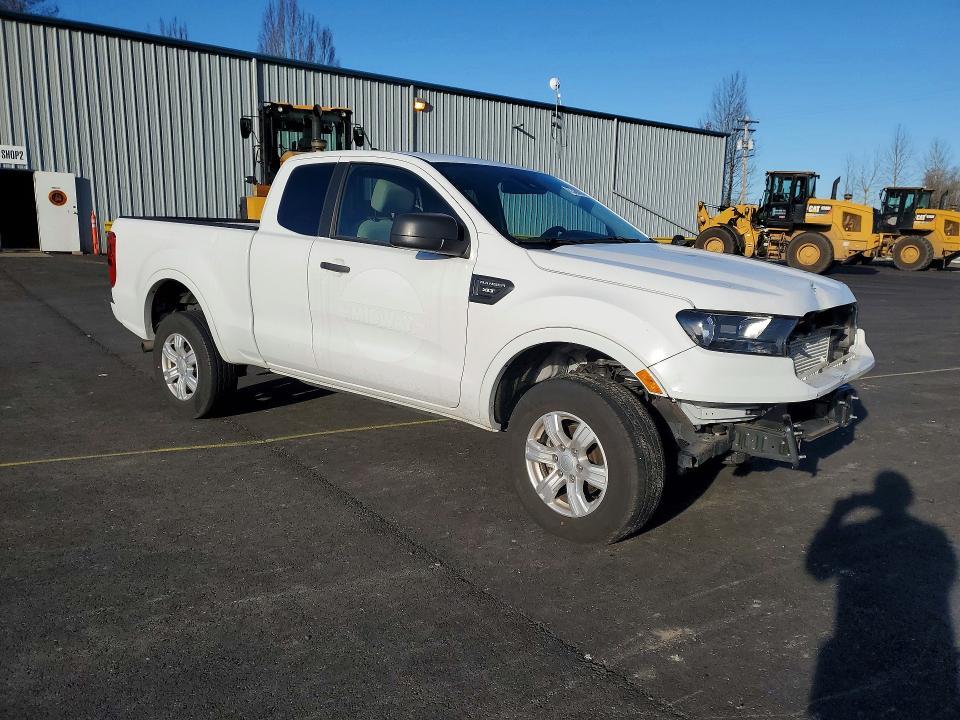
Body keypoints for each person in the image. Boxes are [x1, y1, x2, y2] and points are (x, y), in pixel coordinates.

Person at [806, 472, 959, 718]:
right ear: (908, 498)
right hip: (918, 635)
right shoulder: (933, 536)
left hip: (861, 636)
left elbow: (817, 569)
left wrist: (838, 514)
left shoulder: (856, 532)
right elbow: (945, 578)